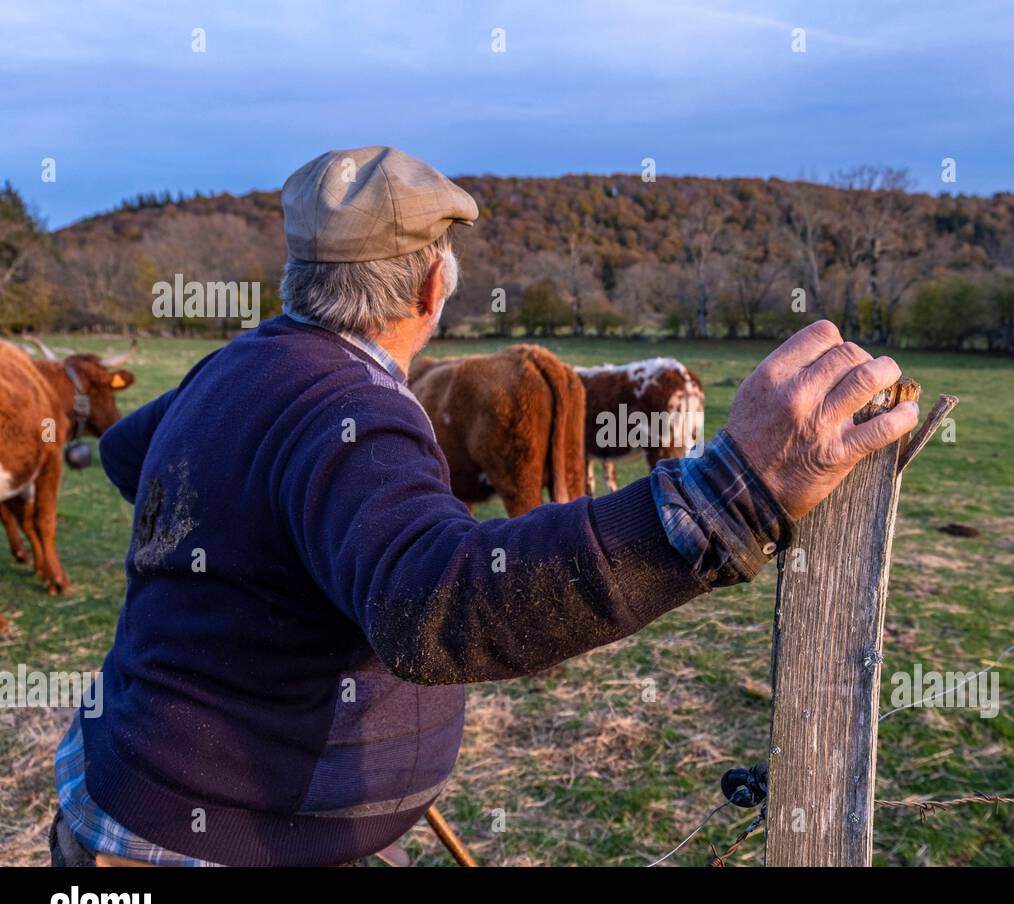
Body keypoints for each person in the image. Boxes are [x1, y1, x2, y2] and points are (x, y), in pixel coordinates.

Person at [49, 146, 918, 866]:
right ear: (433, 289)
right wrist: (729, 495)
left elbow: (130, 458)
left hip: (121, 779)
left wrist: (264, 563)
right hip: (218, 840)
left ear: (297, 278)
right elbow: (441, 601)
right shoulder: (357, 409)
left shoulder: (240, 364)